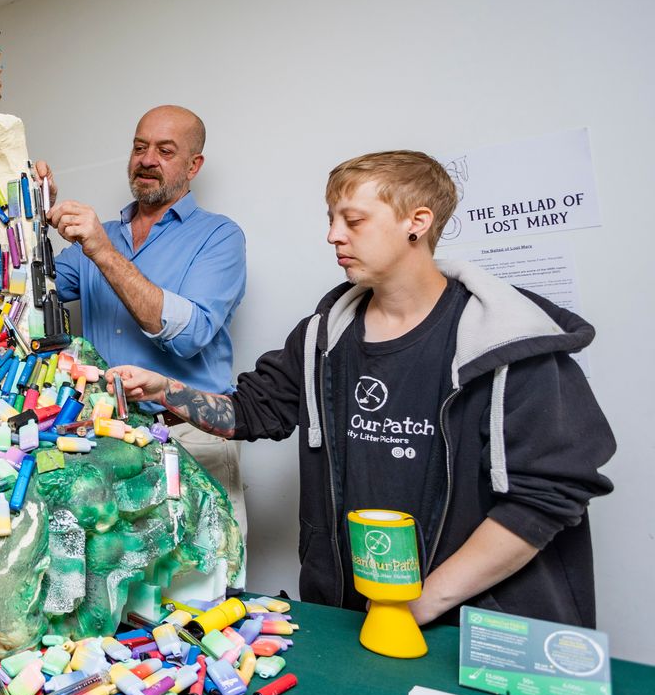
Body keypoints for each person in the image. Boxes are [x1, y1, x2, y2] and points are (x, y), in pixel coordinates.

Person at [109, 150, 615, 627]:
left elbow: (547, 497)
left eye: (353, 221)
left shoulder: (507, 340)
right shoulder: (323, 337)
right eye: (331, 219)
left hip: (477, 623)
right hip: (353, 613)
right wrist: (163, 391)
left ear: (417, 222)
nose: (333, 235)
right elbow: (252, 410)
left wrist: (420, 603)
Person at [36, 105, 248, 537]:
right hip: (109, 442)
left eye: (165, 150)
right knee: (126, 588)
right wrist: (32, 215)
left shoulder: (219, 237)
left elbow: (190, 336)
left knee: (203, 584)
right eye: (139, 147)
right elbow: (32, 296)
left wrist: (100, 249)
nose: (147, 159)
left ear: (194, 165)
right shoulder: (102, 236)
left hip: (190, 439)